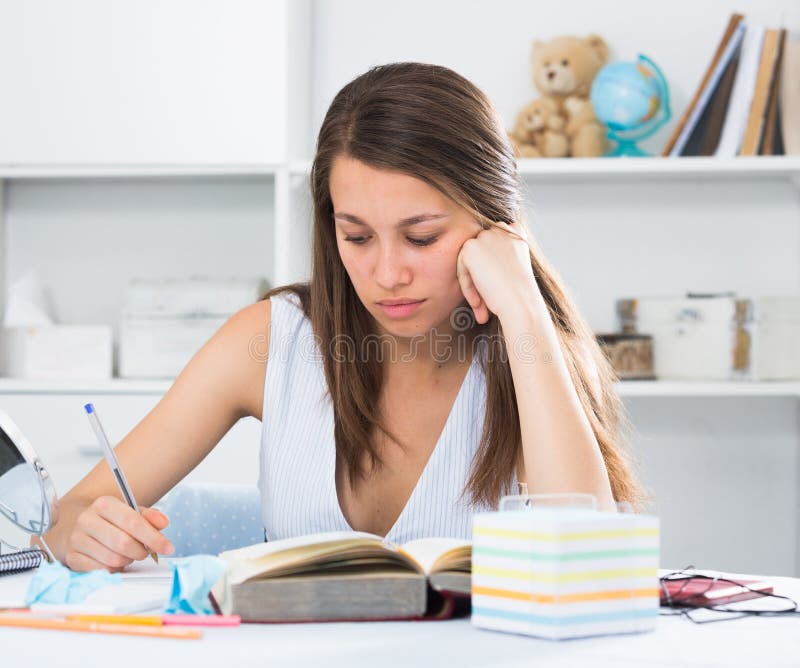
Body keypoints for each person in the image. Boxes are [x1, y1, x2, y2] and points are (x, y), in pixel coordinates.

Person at [42, 62, 644, 572]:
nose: (387, 274)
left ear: (494, 225)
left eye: (422, 237)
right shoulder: (269, 339)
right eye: (356, 237)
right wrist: (82, 534)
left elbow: (588, 565)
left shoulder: (538, 350)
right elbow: (68, 515)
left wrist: (523, 309)